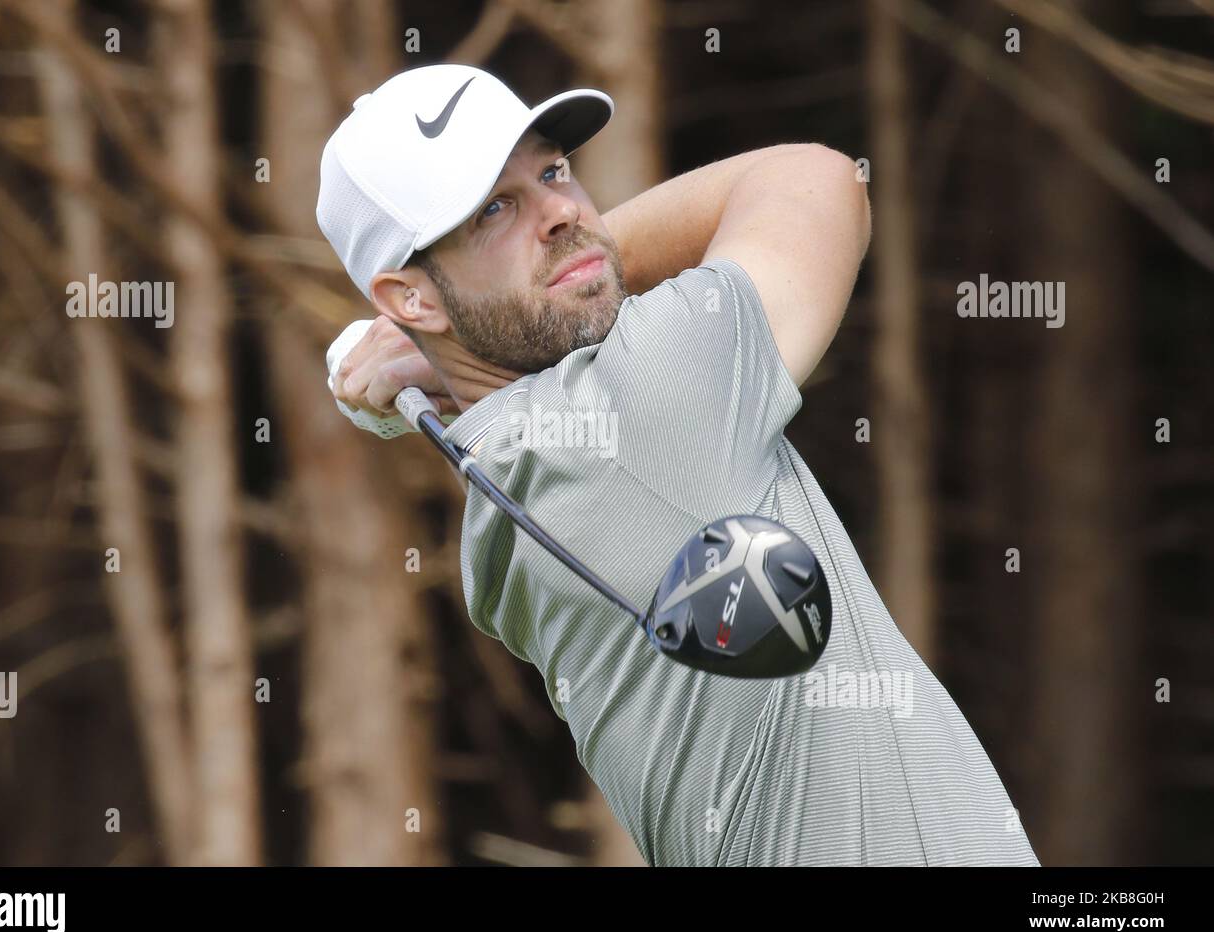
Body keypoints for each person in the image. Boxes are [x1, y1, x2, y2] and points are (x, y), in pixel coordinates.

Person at [317, 63, 1039, 866]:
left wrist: (443, 336)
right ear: (409, 298)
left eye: (553, 171)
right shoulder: (646, 397)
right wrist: (583, 253)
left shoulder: (516, 480)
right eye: (495, 208)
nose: (561, 211)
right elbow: (814, 179)